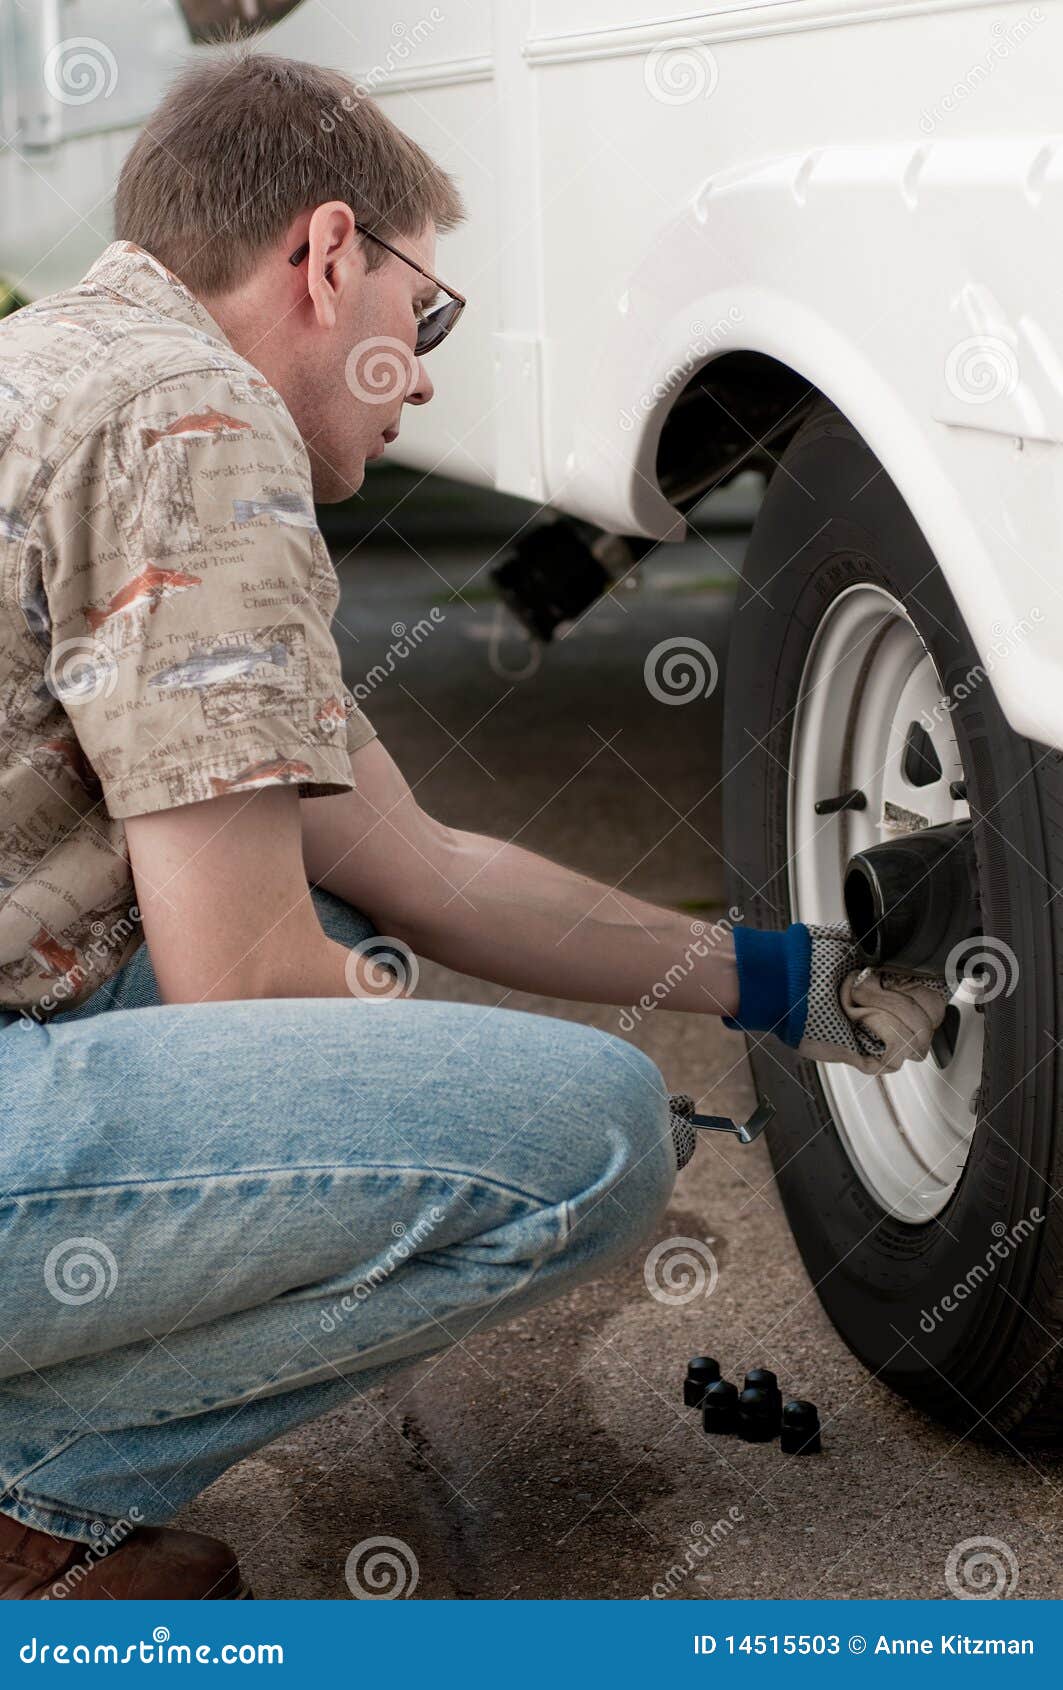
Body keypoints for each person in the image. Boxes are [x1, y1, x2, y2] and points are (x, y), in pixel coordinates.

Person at [0, 51, 950, 1599]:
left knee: (365, 948)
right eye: (421, 314)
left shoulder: (74, 366)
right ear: (324, 256)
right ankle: (39, 1488)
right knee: (583, 1131)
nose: (426, 368)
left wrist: (785, 978)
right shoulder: (196, 426)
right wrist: (462, 1085)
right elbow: (242, 995)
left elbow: (418, 860)